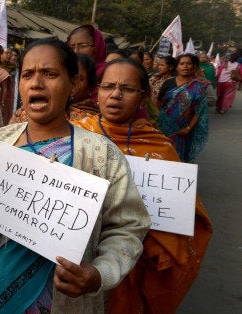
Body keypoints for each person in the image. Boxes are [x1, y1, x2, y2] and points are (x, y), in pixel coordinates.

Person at [0, 38, 150, 313]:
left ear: (74, 83)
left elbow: (128, 227)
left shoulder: (101, 154)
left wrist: (98, 273)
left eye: (50, 74)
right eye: (29, 74)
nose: (36, 83)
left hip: (64, 300)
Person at [72, 58, 212, 313]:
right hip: (74, 251)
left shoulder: (160, 148)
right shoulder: (73, 135)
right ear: (98, 91)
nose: (115, 95)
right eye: (108, 86)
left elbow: (187, 217)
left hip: (130, 258)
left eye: (126, 89)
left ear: (143, 96)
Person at [158, 53, 209, 163]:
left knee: (180, 157)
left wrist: (188, 128)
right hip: (163, 127)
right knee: (162, 155)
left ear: (194, 66)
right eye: (182, 64)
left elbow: (199, 111)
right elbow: (159, 103)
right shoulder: (168, 82)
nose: (185, 66)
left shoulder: (199, 86)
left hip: (184, 130)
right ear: (177, 66)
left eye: (189, 64)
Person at [147, 55, 175, 126]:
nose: (159, 67)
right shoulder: (156, 77)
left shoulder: (172, 81)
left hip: (161, 112)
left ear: (170, 67)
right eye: (159, 65)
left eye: (162, 65)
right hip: (150, 110)